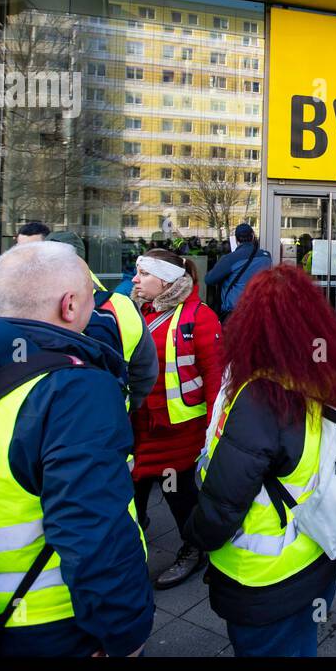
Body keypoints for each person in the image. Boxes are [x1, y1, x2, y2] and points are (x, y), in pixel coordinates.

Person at [0, 241, 153, 655]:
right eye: (91, 298)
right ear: (70, 305)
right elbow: (93, 531)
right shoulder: (76, 392)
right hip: (48, 618)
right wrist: (124, 631)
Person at [183, 266, 336, 656]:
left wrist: (193, 535)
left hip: (262, 579)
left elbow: (223, 503)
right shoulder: (325, 378)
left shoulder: (261, 395)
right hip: (314, 557)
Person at [130, 249, 223, 589]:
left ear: (166, 281)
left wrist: (215, 430)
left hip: (178, 432)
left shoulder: (199, 317)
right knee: (131, 491)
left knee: (179, 493)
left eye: (144, 274)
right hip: (138, 426)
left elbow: (216, 377)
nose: (136, 280)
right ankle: (129, 553)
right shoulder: (132, 311)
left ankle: (194, 549)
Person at [48, 231, 158, 412]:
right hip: (109, 417)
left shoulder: (28, 306)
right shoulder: (121, 305)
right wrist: (125, 406)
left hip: (47, 423)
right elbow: (145, 372)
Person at [203, 223, 271, 321]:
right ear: (253, 237)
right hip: (259, 310)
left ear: (236, 239)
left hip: (236, 313)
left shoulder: (229, 259)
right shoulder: (266, 256)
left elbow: (209, 280)